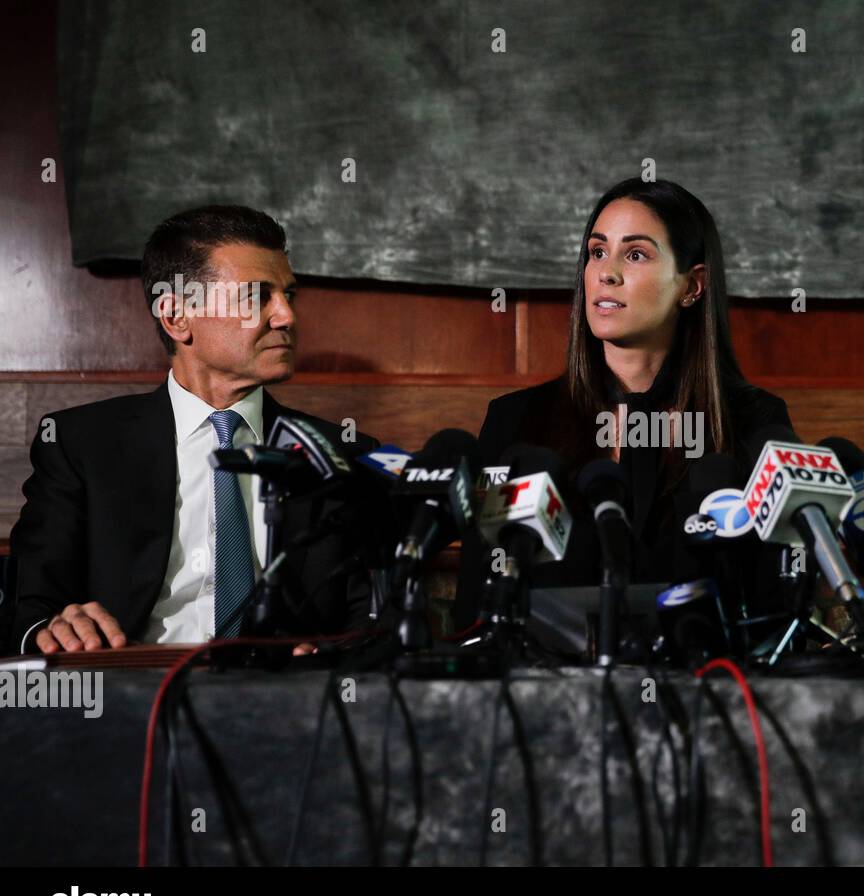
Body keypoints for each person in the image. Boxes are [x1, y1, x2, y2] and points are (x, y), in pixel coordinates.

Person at [10, 205, 375, 655]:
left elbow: (368, 619)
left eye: (289, 296)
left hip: (286, 703)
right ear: (177, 317)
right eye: (255, 296)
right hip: (129, 694)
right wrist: (56, 629)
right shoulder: (80, 445)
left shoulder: (341, 453)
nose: (286, 316)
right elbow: (31, 608)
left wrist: (328, 658)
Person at [453, 178, 794, 629]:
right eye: (597, 252)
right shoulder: (515, 422)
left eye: (635, 254)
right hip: (550, 690)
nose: (606, 272)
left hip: (704, 687)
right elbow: (476, 605)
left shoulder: (754, 423)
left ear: (692, 285)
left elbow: (777, 611)